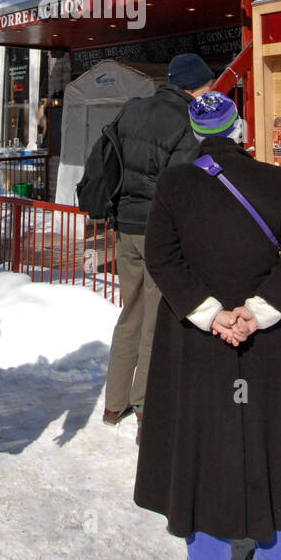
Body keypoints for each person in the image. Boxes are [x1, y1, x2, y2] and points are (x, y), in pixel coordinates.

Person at [134, 92, 281, 560]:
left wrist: (210, 314)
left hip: (198, 342)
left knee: (206, 446)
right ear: (240, 128)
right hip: (270, 344)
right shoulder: (275, 182)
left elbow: (161, 257)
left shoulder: (175, 183)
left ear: (194, 130)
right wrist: (259, 311)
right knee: (278, 443)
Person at [101, 52, 214, 436]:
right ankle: (147, 404)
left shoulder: (132, 110)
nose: (209, 93)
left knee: (129, 312)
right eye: (207, 86)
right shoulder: (187, 122)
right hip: (158, 231)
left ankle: (114, 404)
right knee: (154, 317)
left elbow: (110, 161)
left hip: (124, 225)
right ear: (194, 86)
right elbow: (181, 185)